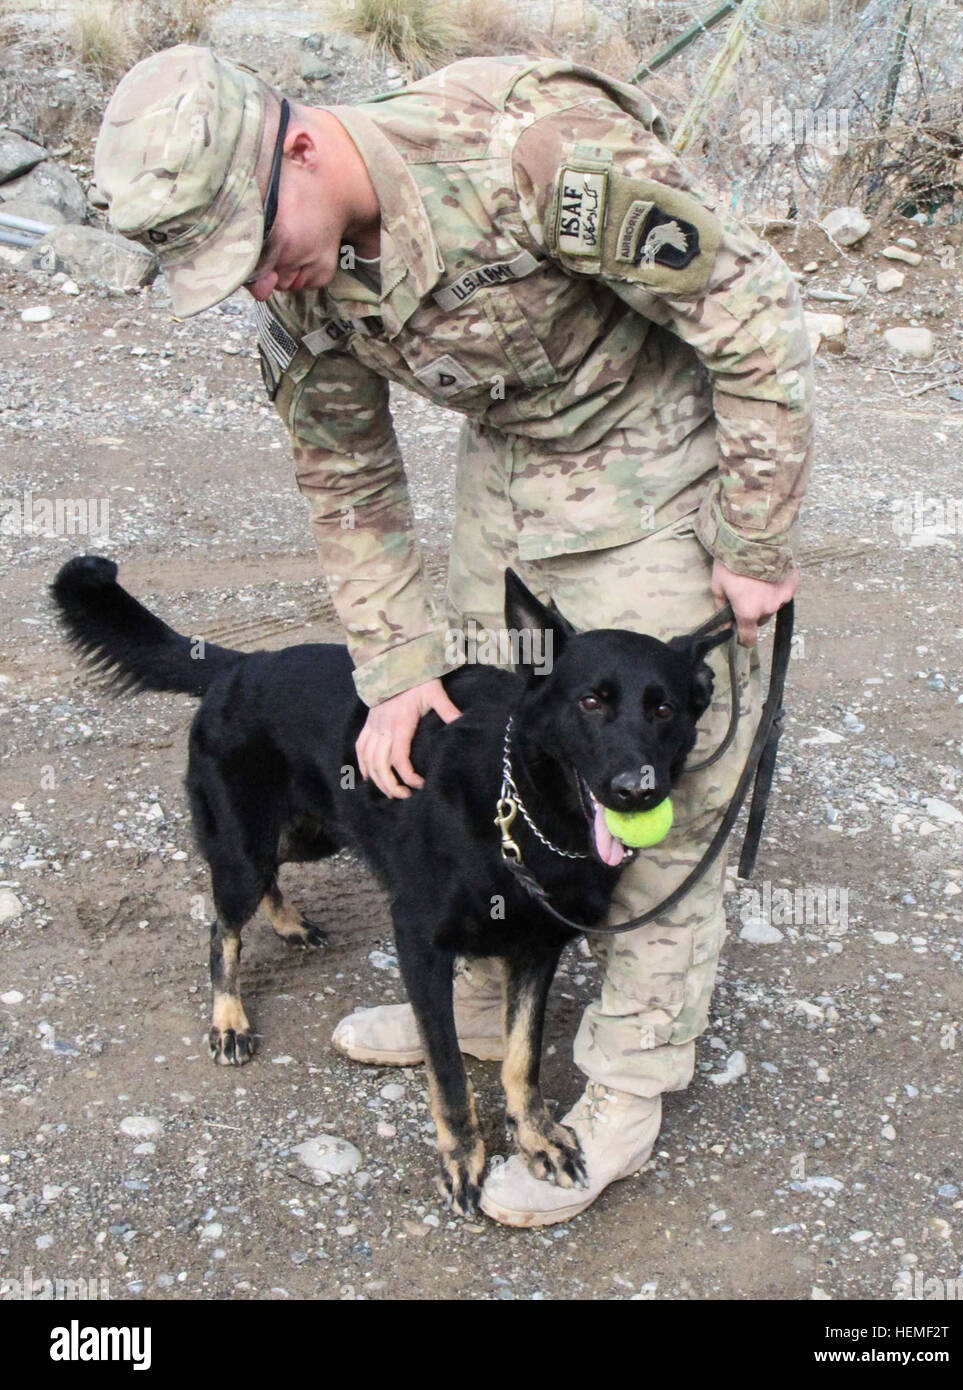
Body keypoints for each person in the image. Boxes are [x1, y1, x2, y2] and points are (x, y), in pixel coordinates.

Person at [94, 43, 812, 1226]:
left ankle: (625, 1091)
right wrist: (391, 662)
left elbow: (753, 315)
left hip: (659, 471)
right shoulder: (299, 273)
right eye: (238, 277)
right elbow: (344, 472)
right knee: (478, 755)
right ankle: (479, 1011)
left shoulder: (532, 152)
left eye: (261, 251)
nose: (265, 286)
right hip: (511, 492)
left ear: (305, 148)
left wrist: (756, 533)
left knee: (649, 800)